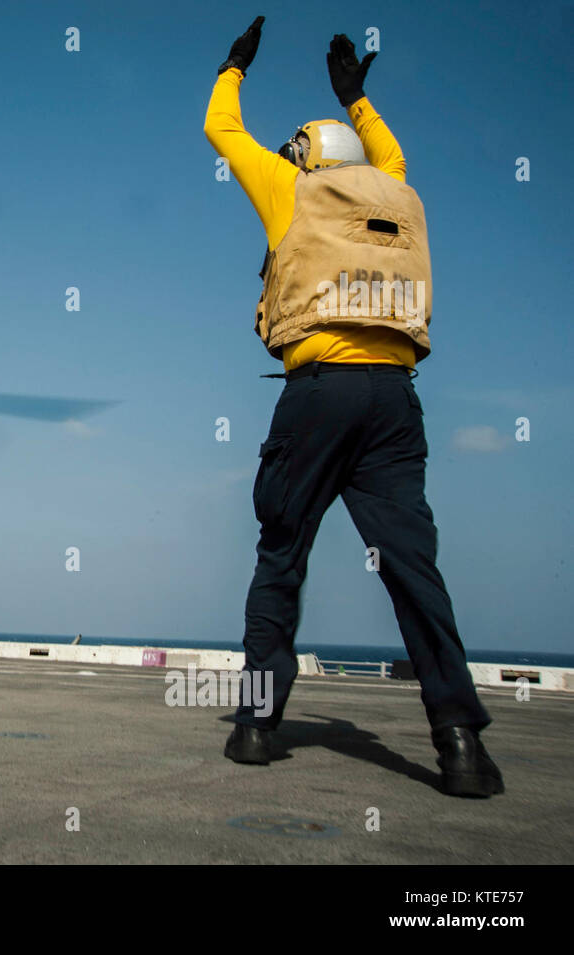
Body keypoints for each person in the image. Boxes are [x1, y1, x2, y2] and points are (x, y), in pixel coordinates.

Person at [205, 17, 502, 797]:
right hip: (396, 403)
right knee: (414, 568)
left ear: (304, 157)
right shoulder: (400, 193)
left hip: (320, 395)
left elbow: (220, 128)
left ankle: (256, 726)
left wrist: (235, 65)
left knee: (282, 553)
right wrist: (359, 99)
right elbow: (390, 155)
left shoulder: (290, 189)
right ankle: (461, 741)